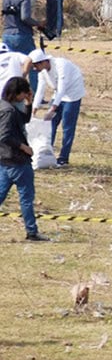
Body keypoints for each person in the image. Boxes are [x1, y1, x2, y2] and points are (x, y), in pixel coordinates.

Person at [0, 77, 44, 240]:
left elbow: (24, 120)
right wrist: (24, 147)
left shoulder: (6, 106)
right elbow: (4, 136)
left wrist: (28, 102)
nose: (25, 95)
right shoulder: (8, 111)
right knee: (26, 199)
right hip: (17, 161)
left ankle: (32, 231)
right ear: (17, 93)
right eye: (24, 93)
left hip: (5, 161)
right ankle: (31, 232)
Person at [29, 49, 82, 166]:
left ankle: (64, 158)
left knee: (67, 126)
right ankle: (47, 153)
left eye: (35, 66)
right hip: (58, 93)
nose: (34, 69)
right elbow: (40, 90)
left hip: (72, 94)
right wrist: (34, 108)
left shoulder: (61, 65)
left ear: (43, 62)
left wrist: (52, 109)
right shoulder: (42, 72)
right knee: (50, 123)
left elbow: (62, 88)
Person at [3, 0, 44, 92]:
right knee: (33, 63)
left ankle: (9, 92)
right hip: (22, 35)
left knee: (10, 66)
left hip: (7, 34)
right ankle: (35, 93)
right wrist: (38, 23)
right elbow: (25, 17)